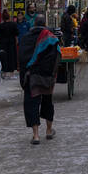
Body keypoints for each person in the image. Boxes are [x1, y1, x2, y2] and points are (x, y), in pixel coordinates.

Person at [18, 13, 59, 145]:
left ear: (34, 24)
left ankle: (35, 135)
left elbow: (22, 59)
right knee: (47, 102)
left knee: (31, 104)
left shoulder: (25, 38)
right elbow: (57, 56)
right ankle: (48, 130)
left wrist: (23, 79)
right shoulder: (51, 38)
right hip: (46, 77)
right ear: (44, 24)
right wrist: (53, 75)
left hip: (31, 76)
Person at [0, 10, 20, 78]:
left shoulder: (1, 25)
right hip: (11, 43)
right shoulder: (13, 24)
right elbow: (16, 35)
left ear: (3, 18)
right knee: (11, 57)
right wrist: (16, 42)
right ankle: (11, 74)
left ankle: (4, 73)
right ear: (9, 17)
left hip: (3, 44)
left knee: (4, 58)